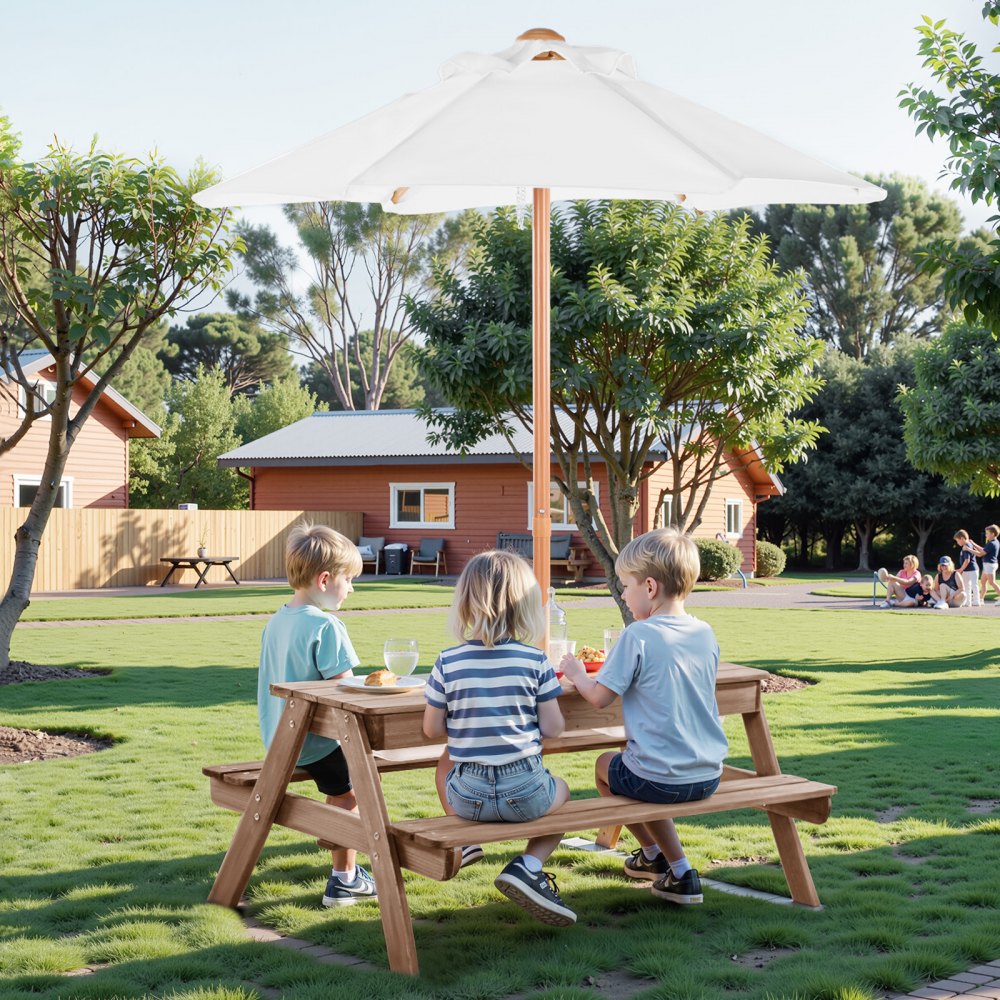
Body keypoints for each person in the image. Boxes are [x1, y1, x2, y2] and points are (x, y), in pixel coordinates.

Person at [560, 528, 728, 905]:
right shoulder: (704, 632)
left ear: (649, 587)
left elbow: (599, 698)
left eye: (625, 586)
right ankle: (660, 861)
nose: (622, 594)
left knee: (606, 767)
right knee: (639, 768)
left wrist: (577, 674)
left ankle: (669, 864)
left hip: (661, 779)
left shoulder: (638, 635)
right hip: (708, 775)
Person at [423, 549, 576, 927]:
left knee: (444, 764)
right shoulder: (535, 661)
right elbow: (554, 728)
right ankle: (528, 866)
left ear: (465, 602)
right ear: (524, 605)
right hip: (527, 794)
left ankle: (465, 841)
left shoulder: (447, 661)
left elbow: (431, 729)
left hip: (467, 800)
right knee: (564, 792)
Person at [258, 522, 376, 908]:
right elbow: (347, 693)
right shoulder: (326, 626)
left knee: (344, 785)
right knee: (353, 793)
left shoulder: (278, 620)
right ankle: (344, 879)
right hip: (316, 742)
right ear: (325, 579)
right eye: (349, 580)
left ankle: (341, 854)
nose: (352, 589)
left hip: (280, 737)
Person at [954, 530, 981, 607]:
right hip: (968, 570)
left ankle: (975, 601)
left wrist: (960, 570)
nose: (957, 542)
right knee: (968, 586)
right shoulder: (967, 545)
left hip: (971, 569)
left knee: (973, 586)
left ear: (962, 538)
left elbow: (967, 560)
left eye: (957, 540)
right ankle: (969, 602)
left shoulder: (966, 546)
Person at [977, 525, 1000, 604]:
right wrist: (973, 544)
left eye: (987, 533)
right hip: (987, 565)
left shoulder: (992, 543)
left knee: (992, 582)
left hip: (990, 565)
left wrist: (969, 549)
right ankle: (981, 599)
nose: (986, 535)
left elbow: (980, 554)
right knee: (983, 582)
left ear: (993, 534)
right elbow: (983, 550)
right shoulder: (992, 542)